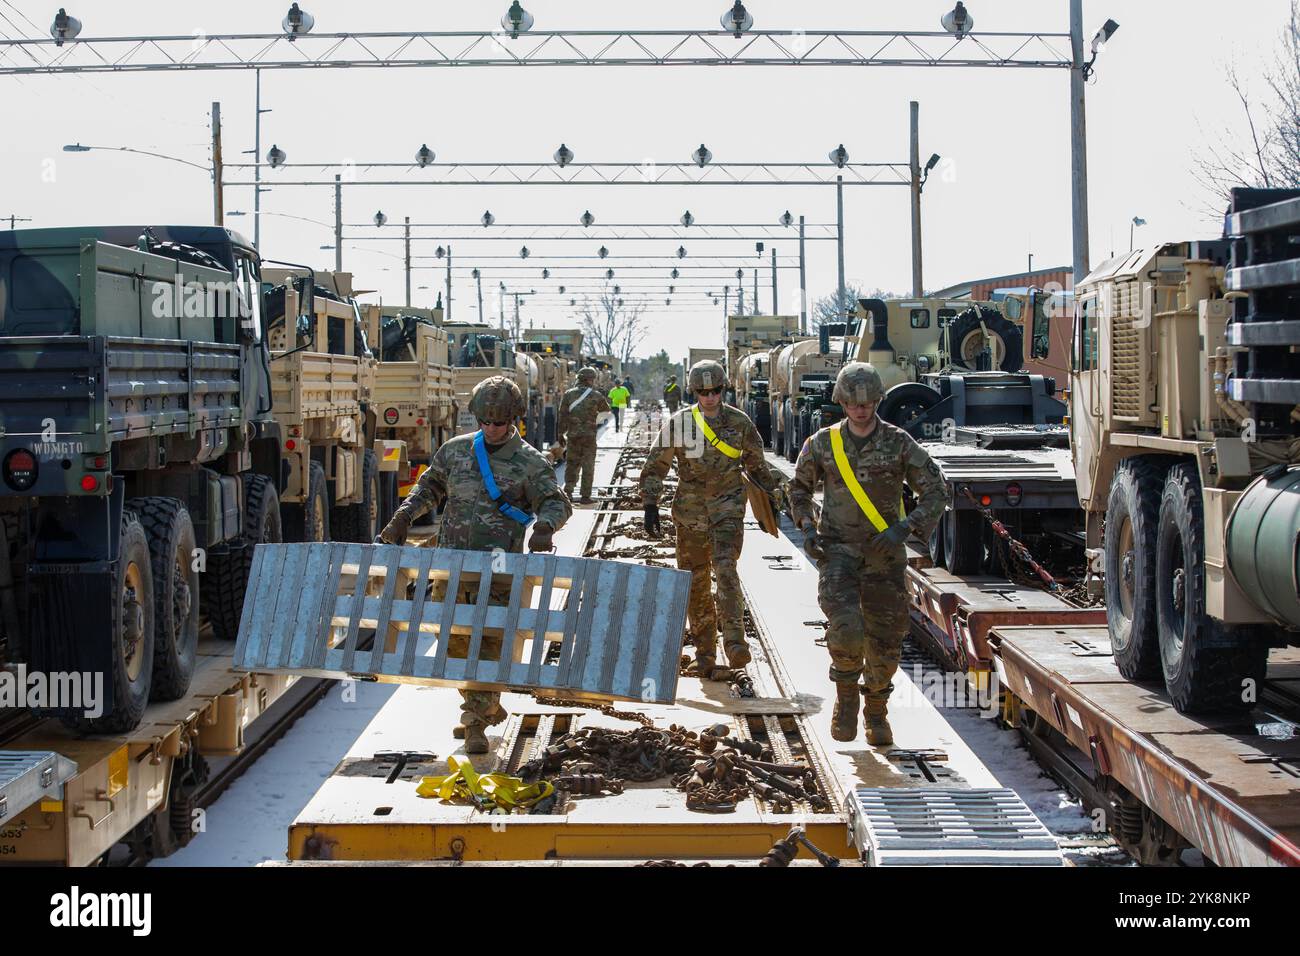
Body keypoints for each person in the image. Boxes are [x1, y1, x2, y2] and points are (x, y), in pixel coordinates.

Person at [376, 376, 572, 754]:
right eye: (485, 421)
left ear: (514, 418)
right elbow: (429, 487)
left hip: (500, 572)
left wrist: (546, 527)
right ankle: (482, 705)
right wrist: (403, 516)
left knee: (489, 645)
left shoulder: (530, 462)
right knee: (454, 642)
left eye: (499, 422)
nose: (491, 428)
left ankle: (475, 720)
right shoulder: (454, 452)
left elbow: (556, 501)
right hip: (451, 567)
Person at [788, 362, 946, 747]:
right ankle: (845, 700)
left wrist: (904, 529)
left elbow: (937, 491)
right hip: (838, 553)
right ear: (842, 402)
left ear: (878, 400)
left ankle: (876, 709)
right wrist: (808, 530)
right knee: (846, 628)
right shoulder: (823, 444)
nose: (861, 410)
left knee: (886, 640)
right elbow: (798, 490)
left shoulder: (899, 443)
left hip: (885, 558)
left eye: (868, 403)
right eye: (853, 403)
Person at [640, 359, 779, 678]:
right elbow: (656, 465)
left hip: (728, 506)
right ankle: (705, 652)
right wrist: (650, 502)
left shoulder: (740, 423)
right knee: (695, 580)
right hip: (690, 513)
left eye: (715, 390)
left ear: (723, 389)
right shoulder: (679, 424)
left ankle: (735, 642)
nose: (710, 397)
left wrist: (771, 501)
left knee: (726, 568)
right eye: (703, 392)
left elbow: (757, 465)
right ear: (694, 392)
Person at [556, 366, 612, 503]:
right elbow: (607, 411)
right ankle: (585, 496)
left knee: (572, 463)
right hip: (589, 436)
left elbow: (562, 415)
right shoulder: (596, 395)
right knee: (588, 465)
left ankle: (568, 491)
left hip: (573, 436)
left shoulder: (568, 394)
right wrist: (594, 420)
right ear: (590, 380)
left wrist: (560, 434)